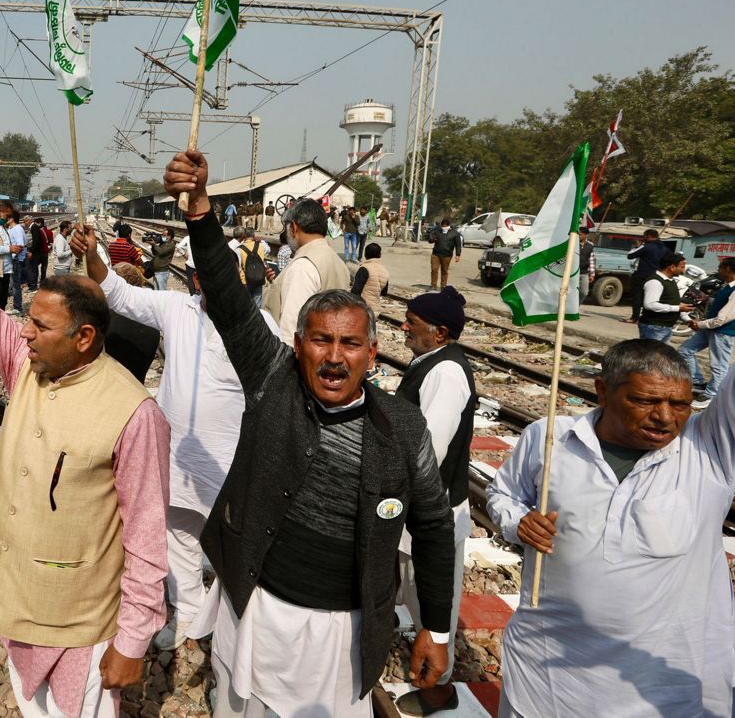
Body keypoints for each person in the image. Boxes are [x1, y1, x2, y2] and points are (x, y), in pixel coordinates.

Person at [162, 148, 456, 717]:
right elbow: (228, 301)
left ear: (373, 355)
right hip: (256, 610)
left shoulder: (401, 428)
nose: (334, 357)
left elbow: (435, 531)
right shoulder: (274, 381)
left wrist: (436, 630)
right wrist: (199, 211)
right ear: (298, 346)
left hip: (340, 636)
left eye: (350, 344)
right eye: (321, 340)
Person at [0, 159, 170, 718]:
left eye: (39, 325)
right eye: (27, 321)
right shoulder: (24, 363)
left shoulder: (133, 414)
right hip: (16, 593)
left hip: (80, 616)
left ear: (85, 337)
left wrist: (133, 639)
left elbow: (146, 536)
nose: (23, 332)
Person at [487, 340, 735, 717]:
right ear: (603, 391)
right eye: (646, 401)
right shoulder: (550, 437)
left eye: (680, 404)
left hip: (666, 688)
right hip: (546, 675)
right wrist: (517, 521)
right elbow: (503, 493)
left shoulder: (709, 448)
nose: (666, 417)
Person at [71, 225, 279, 651]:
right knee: (175, 535)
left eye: (223, 275)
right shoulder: (177, 308)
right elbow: (117, 292)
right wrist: (93, 254)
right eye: (204, 274)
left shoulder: (263, 327)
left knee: (235, 550)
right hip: (177, 458)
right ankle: (186, 612)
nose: (210, 281)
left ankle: (234, 629)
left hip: (230, 463)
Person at [393, 287, 477, 717]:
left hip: (430, 516)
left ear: (441, 332)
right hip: (418, 512)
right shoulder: (431, 361)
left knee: (431, 605)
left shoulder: (446, 373)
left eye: (413, 321)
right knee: (412, 593)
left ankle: (439, 695)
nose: (404, 326)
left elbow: (429, 451)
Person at [262, 197, 350, 345]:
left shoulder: (303, 266)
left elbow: (291, 329)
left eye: (287, 227)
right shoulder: (337, 261)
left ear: (294, 228)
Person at [681, 257, 735, 410]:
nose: (718, 270)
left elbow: (722, 319)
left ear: (729, 269)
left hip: (722, 332)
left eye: (720, 267)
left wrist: (699, 324)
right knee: (685, 350)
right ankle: (698, 381)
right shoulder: (726, 286)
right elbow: (719, 304)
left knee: (718, 365)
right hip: (710, 329)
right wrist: (705, 299)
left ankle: (712, 395)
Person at [639, 251, 692, 342]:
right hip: (654, 327)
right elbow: (650, 304)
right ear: (672, 267)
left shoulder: (671, 281)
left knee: (661, 355)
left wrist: (687, 319)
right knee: (650, 355)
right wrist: (677, 308)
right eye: (682, 267)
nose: (683, 270)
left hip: (665, 327)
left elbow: (670, 301)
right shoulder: (655, 282)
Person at [626, 228, 672, 323]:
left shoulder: (646, 246)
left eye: (644, 236)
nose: (643, 238)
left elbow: (630, 255)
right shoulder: (665, 248)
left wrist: (637, 246)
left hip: (642, 274)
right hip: (657, 276)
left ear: (648, 236)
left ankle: (635, 318)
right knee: (651, 297)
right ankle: (646, 317)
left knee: (638, 296)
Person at [233, 227, 271, 308]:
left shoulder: (239, 249)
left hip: (245, 281)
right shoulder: (261, 246)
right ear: (254, 235)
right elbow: (268, 250)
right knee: (257, 305)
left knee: (245, 305)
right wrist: (262, 240)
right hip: (259, 279)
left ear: (244, 236)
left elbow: (239, 267)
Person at [349, 242, 389, 313]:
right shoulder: (385, 271)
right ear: (380, 255)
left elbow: (356, 291)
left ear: (365, 255)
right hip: (376, 310)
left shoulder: (364, 268)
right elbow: (384, 293)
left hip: (363, 309)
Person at [427, 218, 461, 290]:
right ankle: (433, 285)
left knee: (444, 271)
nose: (444, 228)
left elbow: (458, 245)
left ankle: (443, 286)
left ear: (449, 226)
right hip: (436, 254)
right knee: (434, 269)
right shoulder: (437, 231)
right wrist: (432, 239)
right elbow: (430, 239)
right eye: (443, 226)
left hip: (447, 255)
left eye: (445, 226)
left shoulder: (455, 233)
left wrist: (458, 255)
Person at [6, 210, 29, 312]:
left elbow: (20, 245)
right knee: (13, 284)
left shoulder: (17, 229)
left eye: (7, 217)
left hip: (16, 260)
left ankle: (17, 307)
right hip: (13, 260)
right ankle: (16, 305)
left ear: (11, 219)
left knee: (16, 284)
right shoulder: (12, 229)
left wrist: (13, 256)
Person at [577, 228, 596, 302]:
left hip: (584, 273)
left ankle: (576, 307)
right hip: (572, 273)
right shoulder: (573, 244)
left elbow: (591, 260)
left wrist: (592, 274)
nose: (578, 236)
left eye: (580, 234)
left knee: (584, 292)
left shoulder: (590, 246)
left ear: (586, 235)